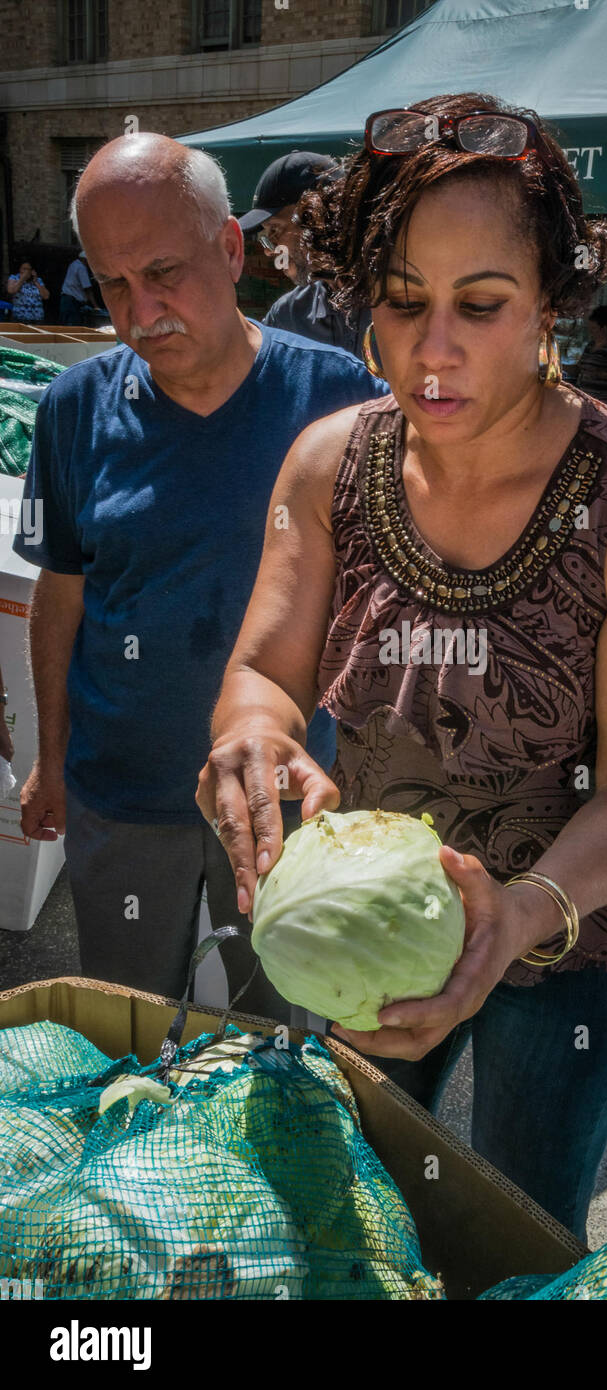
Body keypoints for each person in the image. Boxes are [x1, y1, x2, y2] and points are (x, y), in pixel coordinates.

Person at [195, 92, 607, 1241]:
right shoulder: (328, 464)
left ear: (551, 302)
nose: (432, 350)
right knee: (364, 1195)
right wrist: (251, 731)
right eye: (401, 303)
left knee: (512, 1220)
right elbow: (265, 666)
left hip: (573, 938)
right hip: (382, 924)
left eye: (480, 305)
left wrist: (517, 911)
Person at [12, 132, 388, 1018]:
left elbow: (379, 598)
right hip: (124, 797)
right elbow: (57, 597)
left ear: (230, 250)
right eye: (113, 284)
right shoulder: (73, 410)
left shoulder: (339, 400)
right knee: (127, 1026)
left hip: (285, 802)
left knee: (275, 1039)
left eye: (164, 272)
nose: (141, 313)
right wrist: (49, 761)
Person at [239, 152, 371, 358]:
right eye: (265, 236)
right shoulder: (287, 316)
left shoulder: (397, 298)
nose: (268, 249)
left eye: (275, 230)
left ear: (319, 216)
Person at [59, 251, 98, 325]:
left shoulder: (73, 264)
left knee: (65, 326)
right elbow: (87, 288)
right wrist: (96, 306)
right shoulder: (81, 268)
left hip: (66, 299)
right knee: (73, 327)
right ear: (85, 260)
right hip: (72, 302)